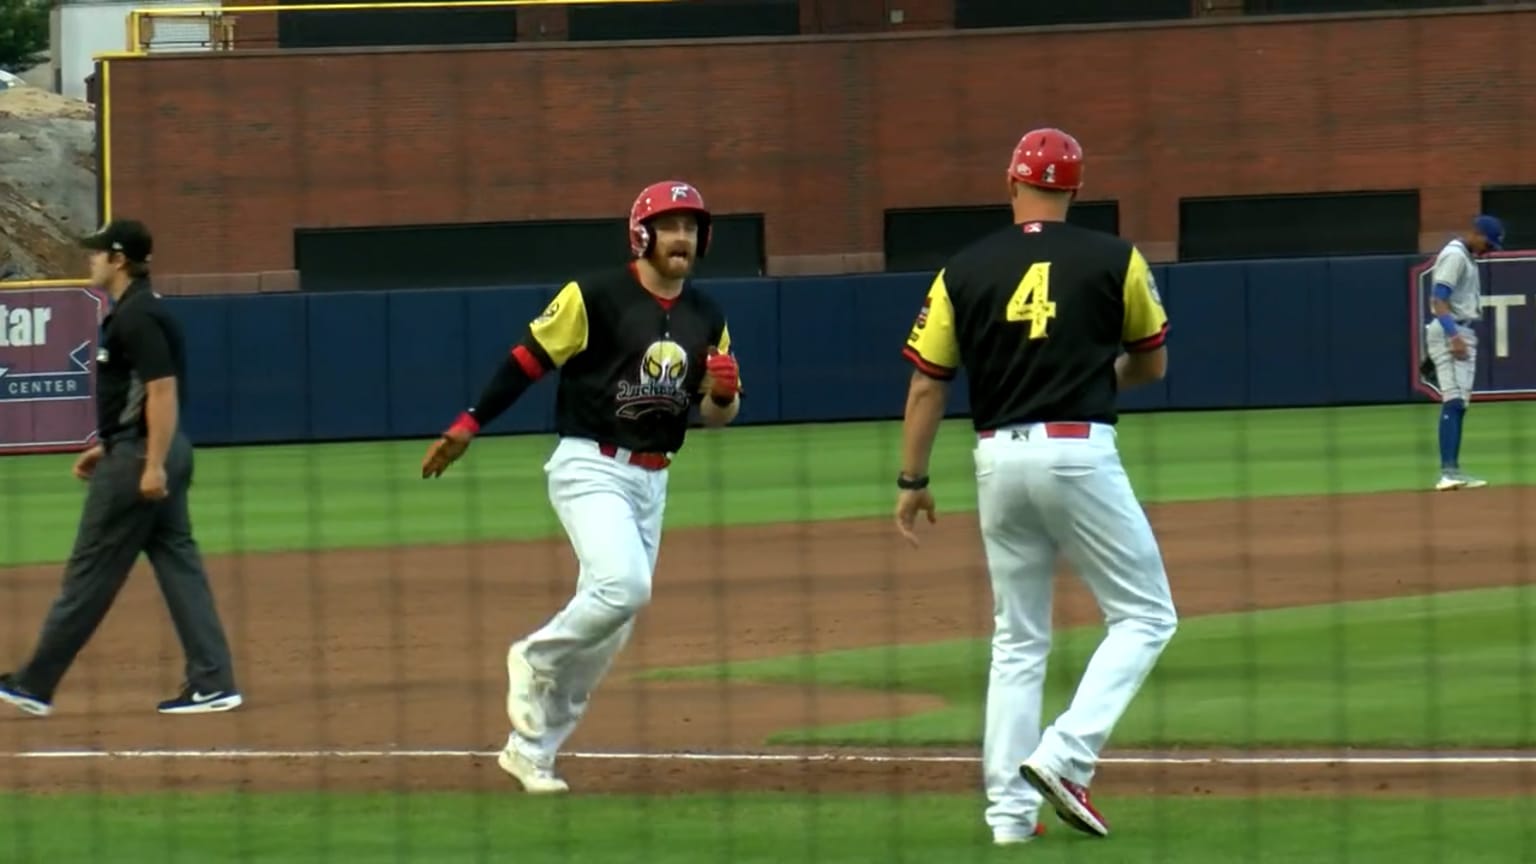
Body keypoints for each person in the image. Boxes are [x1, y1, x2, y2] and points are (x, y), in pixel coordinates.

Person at [892, 128, 1178, 845]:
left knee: (1018, 640)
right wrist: (1092, 375)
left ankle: (1008, 820)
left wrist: (912, 479)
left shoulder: (963, 267)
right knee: (1146, 616)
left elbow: (928, 385)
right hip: (1079, 451)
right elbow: (1152, 365)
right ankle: (1065, 756)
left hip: (996, 460)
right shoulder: (1117, 257)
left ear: (1010, 181)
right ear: (1075, 191)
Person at [420, 180, 743, 794]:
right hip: (589, 464)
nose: (682, 237)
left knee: (609, 629)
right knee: (624, 587)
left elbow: (717, 416)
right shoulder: (595, 295)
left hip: (654, 479)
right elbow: (526, 361)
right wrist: (468, 424)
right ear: (642, 234)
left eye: (692, 227)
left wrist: (723, 394)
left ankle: (530, 751)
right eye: (669, 225)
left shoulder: (709, 315)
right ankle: (533, 657)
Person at [0, 219, 242, 718]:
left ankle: (33, 683)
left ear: (119, 260)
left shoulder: (137, 317)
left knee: (89, 573)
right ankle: (213, 681)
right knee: (179, 565)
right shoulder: (138, 312)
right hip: (143, 449)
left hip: (141, 459)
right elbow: (138, 397)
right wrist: (105, 443)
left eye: (96, 254)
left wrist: (148, 462)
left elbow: (161, 390)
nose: (89, 260)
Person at [1423, 214, 1503, 491]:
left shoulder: (1466, 257)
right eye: (1488, 244)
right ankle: (1448, 472)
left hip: (1458, 329)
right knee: (1454, 401)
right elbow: (1438, 299)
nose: (1489, 250)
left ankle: (1453, 470)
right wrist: (1453, 336)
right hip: (1452, 330)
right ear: (1476, 233)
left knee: (1460, 403)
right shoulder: (1455, 255)